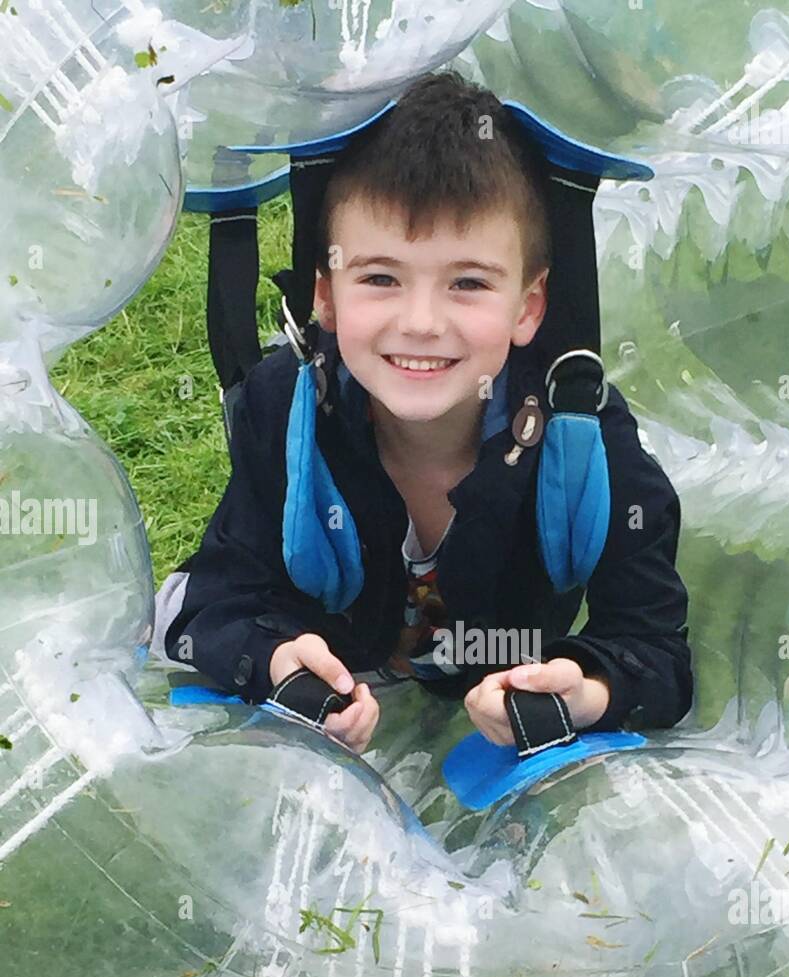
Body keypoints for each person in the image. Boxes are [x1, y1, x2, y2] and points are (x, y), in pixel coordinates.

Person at [153, 71, 693, 756]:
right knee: (167, 632)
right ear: (326, 297)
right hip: (340, 646)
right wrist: (278, 661)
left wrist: (586, 688)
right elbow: (219, 603)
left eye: (468, 283)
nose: (421, 323)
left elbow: (658, 651)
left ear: (529, 308)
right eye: (380, 278)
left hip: (493, 661)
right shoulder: (286, 407)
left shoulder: (583, 439)